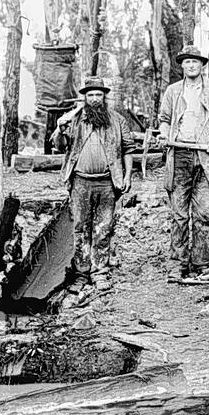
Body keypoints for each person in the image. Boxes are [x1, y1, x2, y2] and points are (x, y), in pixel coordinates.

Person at [52, 77, 134, 303]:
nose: (95, 99)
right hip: (80, 183)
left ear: (104, 97)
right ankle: (81, 273)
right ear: (84, 98)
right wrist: (60, 129)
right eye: (91, 95)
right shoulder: (74, 121)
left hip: (107, 183)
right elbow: (59, 146)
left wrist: (127, 175)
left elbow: (128, 149)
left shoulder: (117, 121)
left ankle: (100, 272)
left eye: (99, 94)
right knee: (80, 228)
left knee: (103, 228)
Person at [157, 45, 209, 283]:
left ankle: (202, 263)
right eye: (187, 62)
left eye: (195, 62)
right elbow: (165, 120)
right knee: (179, 213)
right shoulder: (173, 91)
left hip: (206, 157)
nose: (191, 66)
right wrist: (164, 136)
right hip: (180, 154)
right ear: (182, 66)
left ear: (202, 65)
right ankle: (178, 263)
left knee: (204, 212)